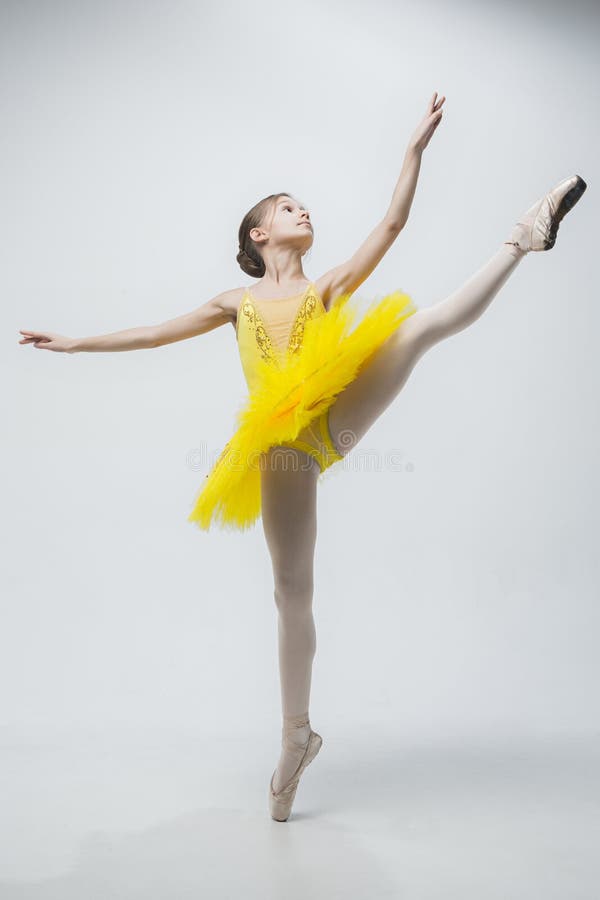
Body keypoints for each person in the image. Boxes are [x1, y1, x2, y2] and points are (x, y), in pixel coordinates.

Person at [18, 92, 587, 822]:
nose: (303, 213)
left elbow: (392, 223)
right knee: (292, 592)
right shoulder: (236, 301)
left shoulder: (325, 287)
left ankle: (522, 237)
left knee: (416, 331)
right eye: (289, 209)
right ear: (259, 234)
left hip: (334, 413)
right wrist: (74, 343)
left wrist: (412, 151)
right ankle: (296, 737)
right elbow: (155, 333)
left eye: (304, 207)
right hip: (283, 447)